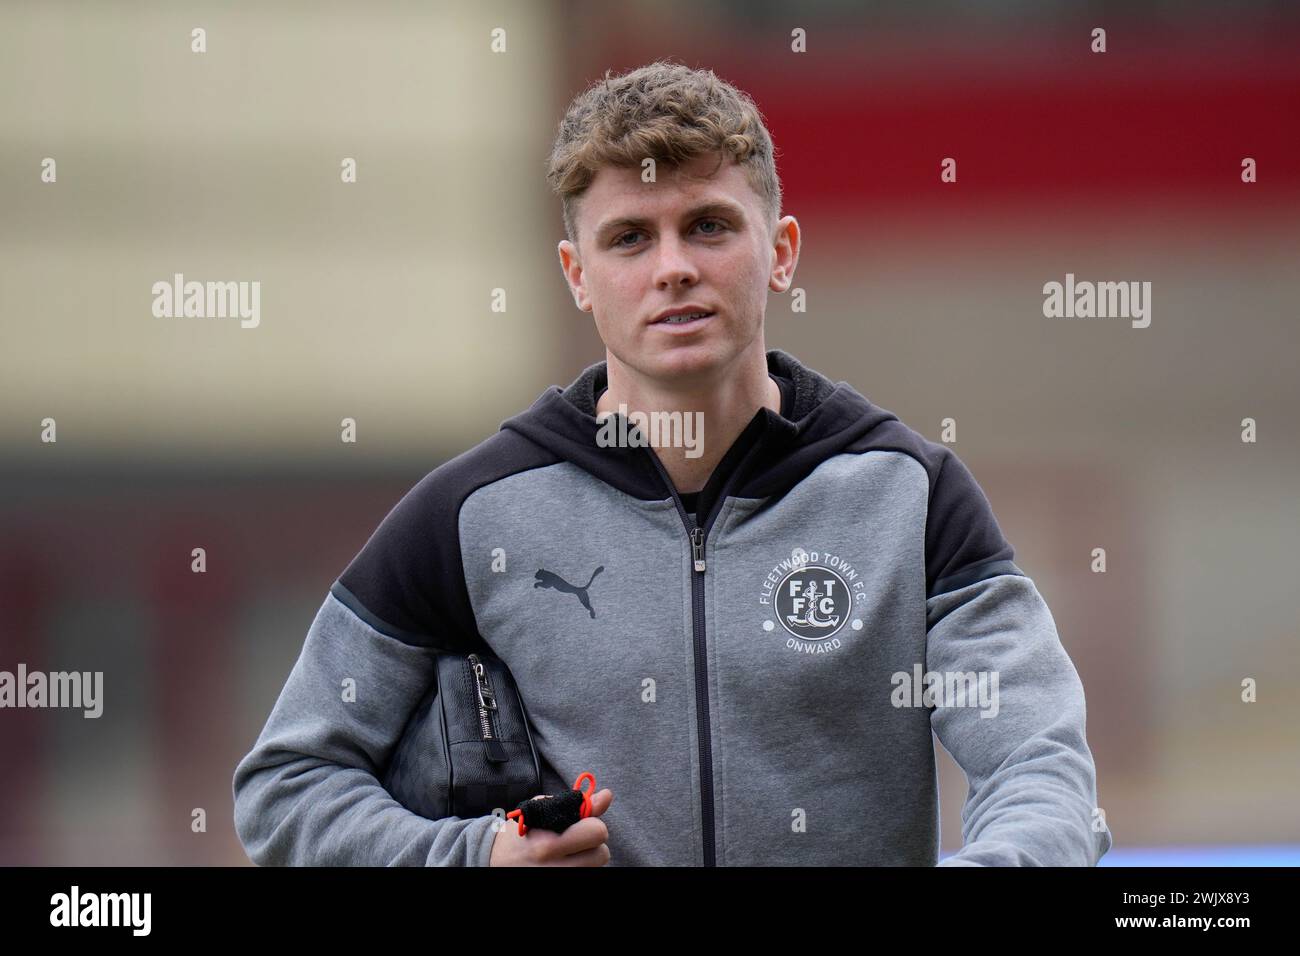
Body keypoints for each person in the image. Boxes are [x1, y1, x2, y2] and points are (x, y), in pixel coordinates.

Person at [232, 60, 1112, 867]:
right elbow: (287, 787)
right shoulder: (469, 515)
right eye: (630, 240)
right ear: (577, 275)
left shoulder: (911, 499)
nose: (675, 268)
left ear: (782, 251)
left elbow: (1041, 767)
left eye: (709, 226)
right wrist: (472, 858)